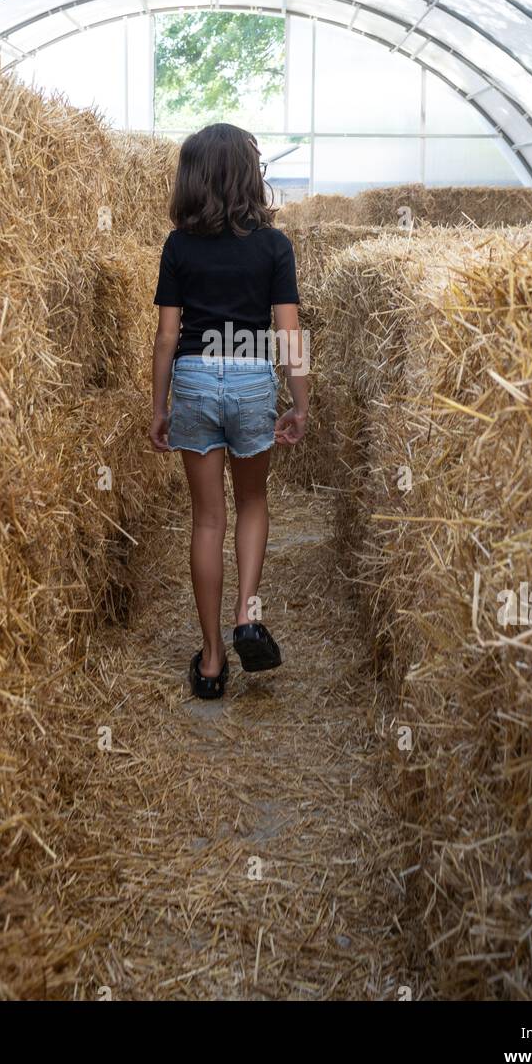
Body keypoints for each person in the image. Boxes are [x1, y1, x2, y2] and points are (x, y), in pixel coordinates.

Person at [150, 122, 308, 700]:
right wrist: (301, 400)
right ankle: (247, 613)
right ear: (250, 176)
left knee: (206, 520)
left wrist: (159, 406)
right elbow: (287, 333)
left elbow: (167, 336)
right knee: (253, 502)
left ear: (191, 179)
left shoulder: (178, 245)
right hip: (249, 376)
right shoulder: (274, 245)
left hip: (193, 375)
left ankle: (213, 660)